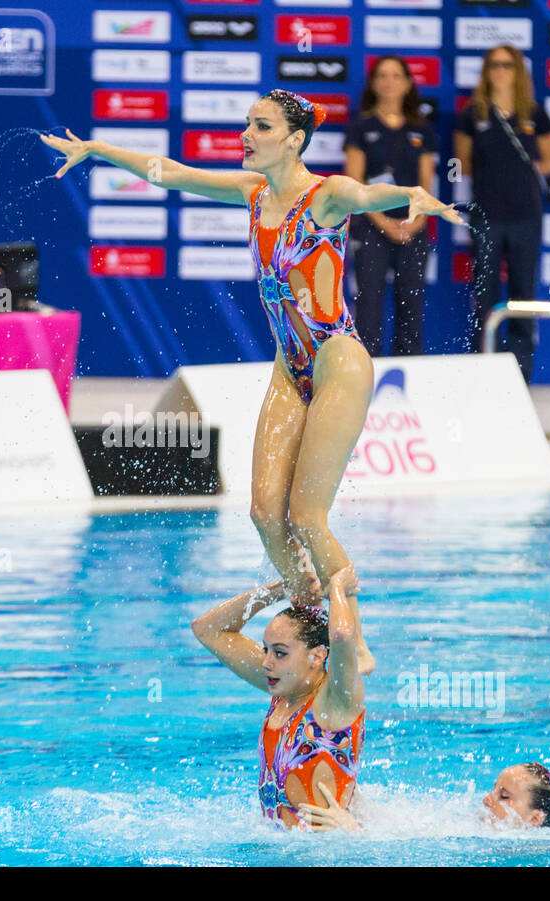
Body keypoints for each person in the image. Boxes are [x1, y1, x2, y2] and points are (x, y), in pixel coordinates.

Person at [42, 92, 461, 674]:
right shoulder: (252, 192)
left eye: (261, 126)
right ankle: (308, 603)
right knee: (266, 514)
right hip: (290, 366)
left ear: (294, 139)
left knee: (308, 518)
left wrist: (413, 197)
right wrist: (96, 150)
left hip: (338, 358)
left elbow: (369, 195)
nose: (247, 134)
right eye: (247, 124)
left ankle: (354, 641)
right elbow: (174, 175)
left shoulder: (325, 195)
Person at [191, 566, 365, 829]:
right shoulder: (284, 690)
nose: (266, 662)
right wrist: (279, 589)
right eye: (266, 650)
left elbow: (340, 636)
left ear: (317, 656)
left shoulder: (335, 702)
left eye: (280, 653)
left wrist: (338, 587)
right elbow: (207, 629)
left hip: (332, 852)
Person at [454, 45, 550, 384]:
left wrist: (519, 173)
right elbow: (463, 164)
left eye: (507, 65)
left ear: (518, 71)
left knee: (523, 295)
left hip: (526, 216)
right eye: (494, 65)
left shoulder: (535, 113)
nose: (500, 71)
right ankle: (481, 371)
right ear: (486, 71)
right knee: (483, 297)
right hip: (487, 217)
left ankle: (519, 375)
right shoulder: (472, 114)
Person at [343, 55, 439, 356]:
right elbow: (354, 183)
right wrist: (383, 222)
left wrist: (416, 221)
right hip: (371, 228)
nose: (389, 82)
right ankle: (365, 373)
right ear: (373, 83)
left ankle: (410, 372)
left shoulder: (422, 130)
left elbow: (426, 183)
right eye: (382, 75)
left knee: (411, 304)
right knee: (369, 303)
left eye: (396, 75)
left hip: (412, 227)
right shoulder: (361, 127)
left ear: (408, 84)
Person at [298, 761, 550, 832]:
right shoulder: (473, 827)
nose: (486, 799)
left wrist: (353, 832)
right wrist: (353, 795)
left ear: (534, 818)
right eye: (493, 789)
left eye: (503, 797)